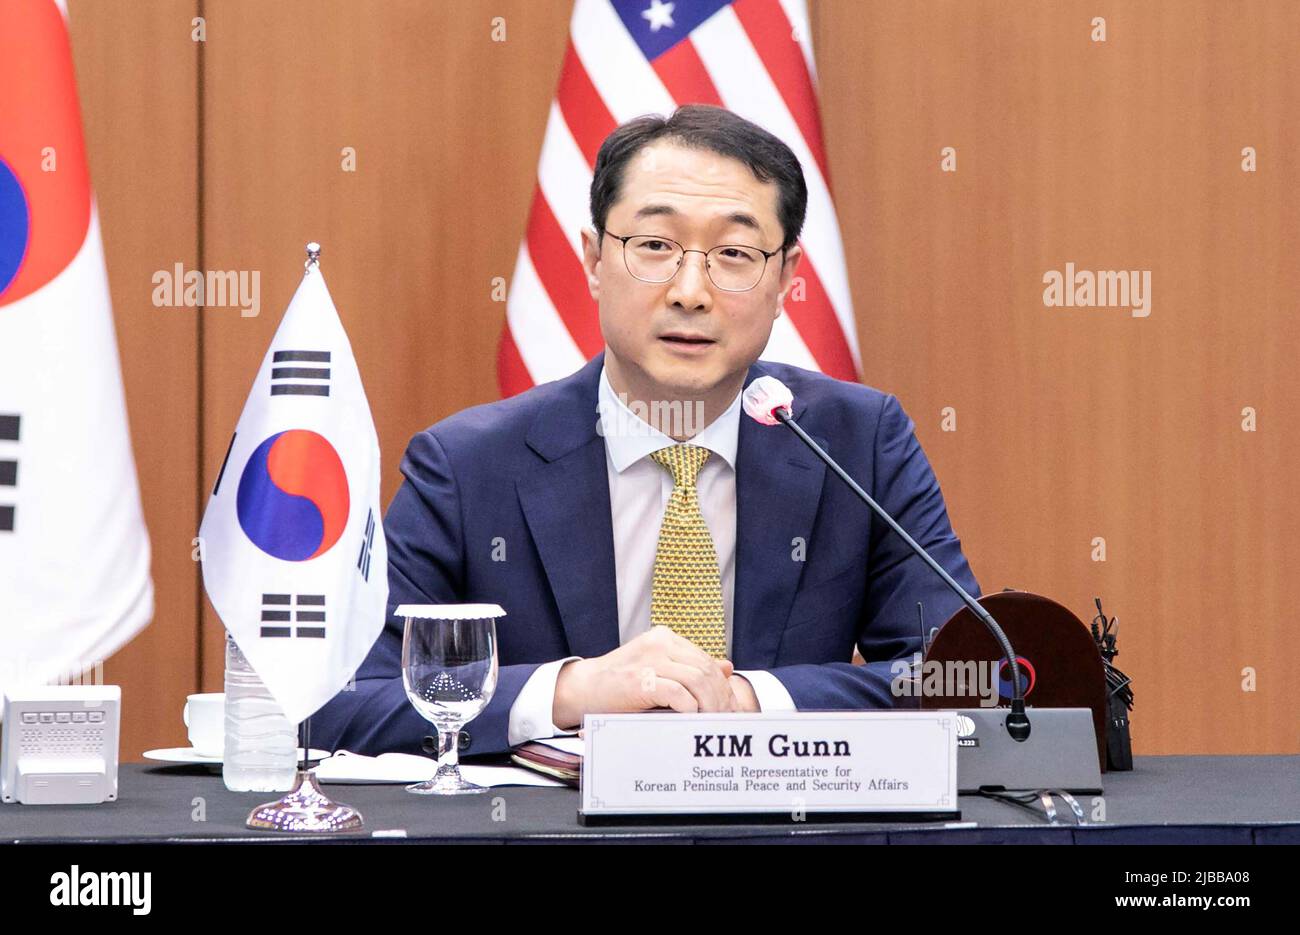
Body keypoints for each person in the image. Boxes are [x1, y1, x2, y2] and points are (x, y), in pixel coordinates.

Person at [311, 103, 980, 757]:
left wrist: (746, 700)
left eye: (736, 253)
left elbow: (970, 674)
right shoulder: (466, 467)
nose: (691, 289)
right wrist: (572, 689)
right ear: (595, 260)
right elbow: (344, 700)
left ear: (785, 281)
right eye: (655, 246)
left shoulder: (859, 443)